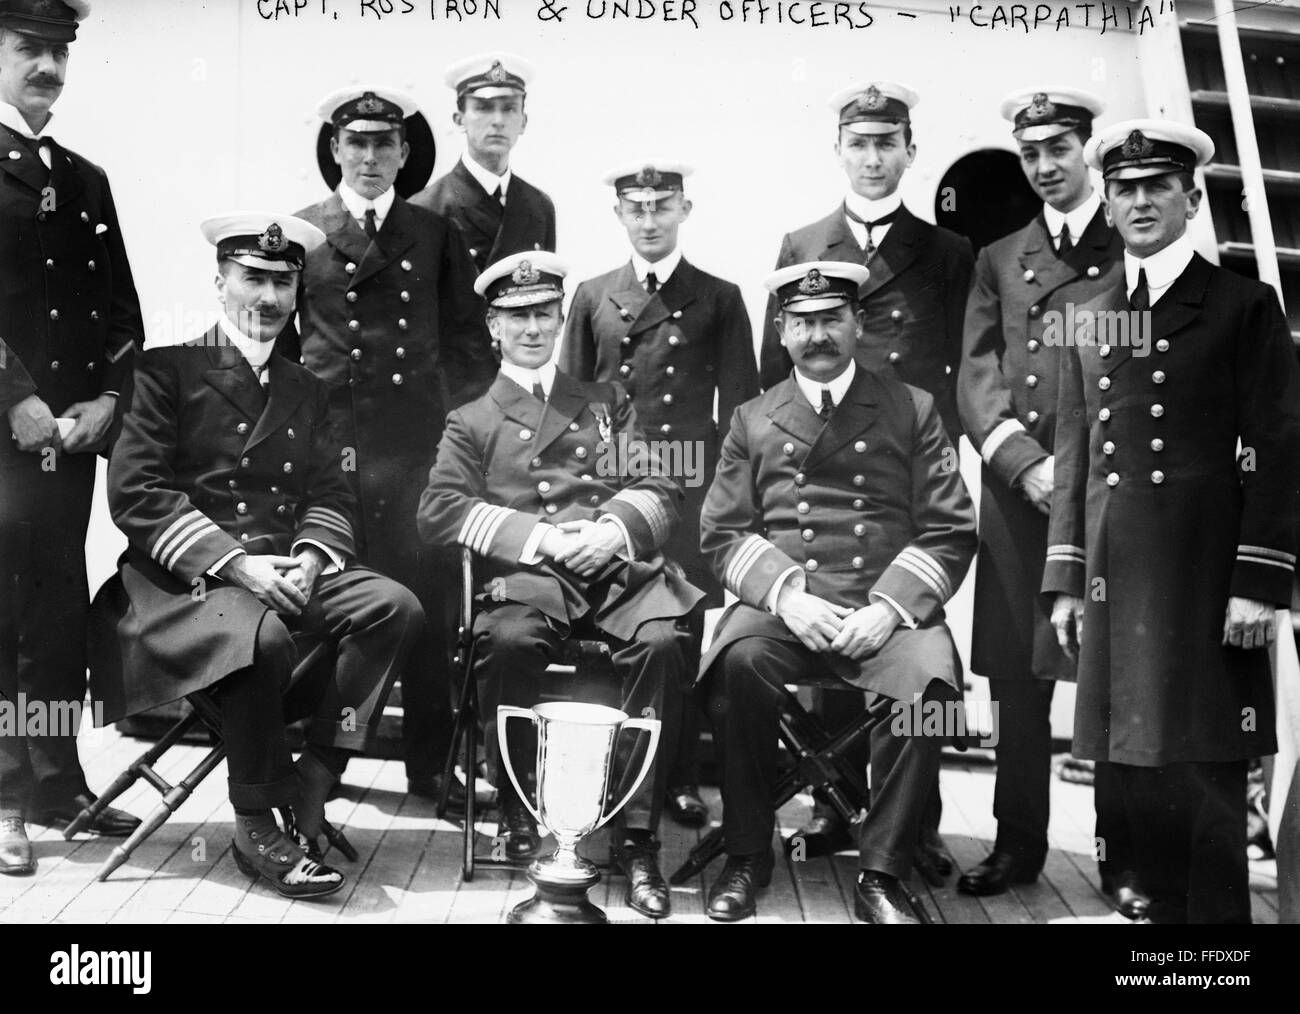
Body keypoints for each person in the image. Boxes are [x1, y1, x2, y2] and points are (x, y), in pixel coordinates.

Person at [92, 213, 424, 900]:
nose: (268, 298)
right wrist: (237, 563)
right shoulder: (163, 371)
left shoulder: (307, 388)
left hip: (281, 573)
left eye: (283, 281)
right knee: (259, 635)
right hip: (177, 588)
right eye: (253, 279)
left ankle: (315, 776)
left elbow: (331, 488)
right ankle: (255, 822)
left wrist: (311, 557)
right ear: (219, 284)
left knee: (394, 606)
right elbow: (137, 494)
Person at [1044, 120, 1300, 924]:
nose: (1141, 201)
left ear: (1191, 199)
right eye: (1125, 189)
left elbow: (1280, 444)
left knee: (1209, 762)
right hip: (1117, 575)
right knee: (1130, 766)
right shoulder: (1088, 314)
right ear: (1109, 206)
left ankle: (1219, 944)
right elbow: (1075, 453)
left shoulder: (1241, 306)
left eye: (1159, 186)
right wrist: (1065, 580)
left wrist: (1259, 581)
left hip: (1206, 573)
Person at [418, 251, 703, 920]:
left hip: (614, 572)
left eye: (544, 313)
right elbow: (438, 511)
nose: (533, 328)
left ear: (560, 317)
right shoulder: (474, 419)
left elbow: (659, 484)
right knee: (508, 640)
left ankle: (637, 837)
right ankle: (518, 813)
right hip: (532, 577)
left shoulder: (603, 401)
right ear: (493, 326)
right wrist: (540, 539)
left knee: (662, 644)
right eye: (517, 316)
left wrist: (613, 528)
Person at [699, 261, 977, 923]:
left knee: (929, 693)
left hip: (886, 611)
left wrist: (888, 609)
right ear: (782, 330)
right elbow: (722, 530)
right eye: (803, 323)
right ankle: (746, 853)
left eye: (831, 320)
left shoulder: (911, 407)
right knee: (735, 668)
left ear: (858, 324)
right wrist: (786, 596)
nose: (818, 335)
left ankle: (882, 870)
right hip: (788, 612)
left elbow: (949, 527)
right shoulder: (751, 417)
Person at [756, 80, 972, 878]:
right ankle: (836, 808)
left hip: (905, 487)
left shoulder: (947, 253)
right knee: (826, 658)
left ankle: (914, 827)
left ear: (910, 152)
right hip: (817, 488)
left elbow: (959, 372)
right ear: (839, 151)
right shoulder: (801, 241)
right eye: (860, 144)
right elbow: (767, 379)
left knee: (915, 659)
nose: (873, 158)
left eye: (888, 144)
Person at [955, 87, 1145, 917]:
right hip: (1018, 498)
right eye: (1031, 154)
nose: (1045, 167)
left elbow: (1144, 375)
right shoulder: (998, 258)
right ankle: (1017, 842)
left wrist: (1079, 475)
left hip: (1105, 498)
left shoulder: (1130, 250)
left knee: (1110, 677)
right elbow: (976, 376)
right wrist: (1025, 465)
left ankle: (1122, 856)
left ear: (1088, 152)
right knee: (1017, 683)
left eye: (1059, 150)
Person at [278, 86, 495, 806]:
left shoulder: (432, 234)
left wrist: (459, 442)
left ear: (405, 154)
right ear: (335, 150)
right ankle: (326, 759)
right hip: (330, 457)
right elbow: (278, 349)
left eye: (384, 145)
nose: (370, 158)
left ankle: (431, 766)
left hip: (415, 460)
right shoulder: (303, 232)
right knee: (340, 613)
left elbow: (468, 343)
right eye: (357, 143)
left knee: (428, 614)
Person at [559, 161, 758, 827]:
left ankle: (674, 778)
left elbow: (740, 415)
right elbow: (568, 410)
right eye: (636, 207)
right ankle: (597, 777)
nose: (649, 220)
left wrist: (728, 504)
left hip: (693, 496)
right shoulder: (591, 296)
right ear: (619, 214)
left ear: (685, 210)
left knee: (681, 639)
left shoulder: (719, 296)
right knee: (614, 632)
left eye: (661, 206)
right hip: (612, 499)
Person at [0, 0, 143, 876]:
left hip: (65, 441)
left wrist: (108, 400)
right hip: (1, 438)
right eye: (28, 48)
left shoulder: (84, 178)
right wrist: (10, 395)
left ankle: (53, 781)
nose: (47, 65)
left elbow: (121, 310)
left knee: (54, 610)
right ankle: (4, 796)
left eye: (58, 50)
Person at [410, 52, 555, 275]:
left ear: (523, 122)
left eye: (509, 109)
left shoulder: (539, 206)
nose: (498, 121)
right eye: (484, 108)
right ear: (459, 120)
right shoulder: (426, 209)